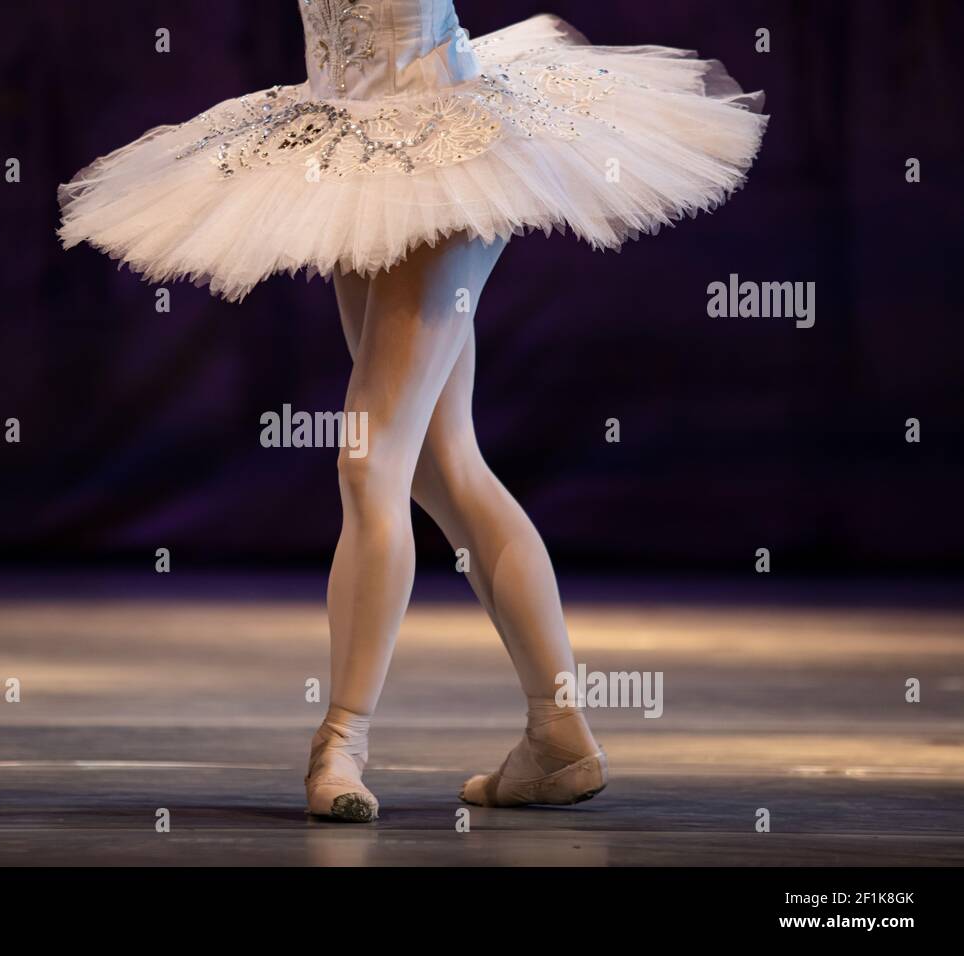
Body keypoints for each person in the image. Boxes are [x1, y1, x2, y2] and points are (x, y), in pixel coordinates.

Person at [59, 2, 767, 821]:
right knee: (442, 463)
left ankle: (341, 741)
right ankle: (560, 734)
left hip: (442, 143)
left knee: (370, 458)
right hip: (350, 148)